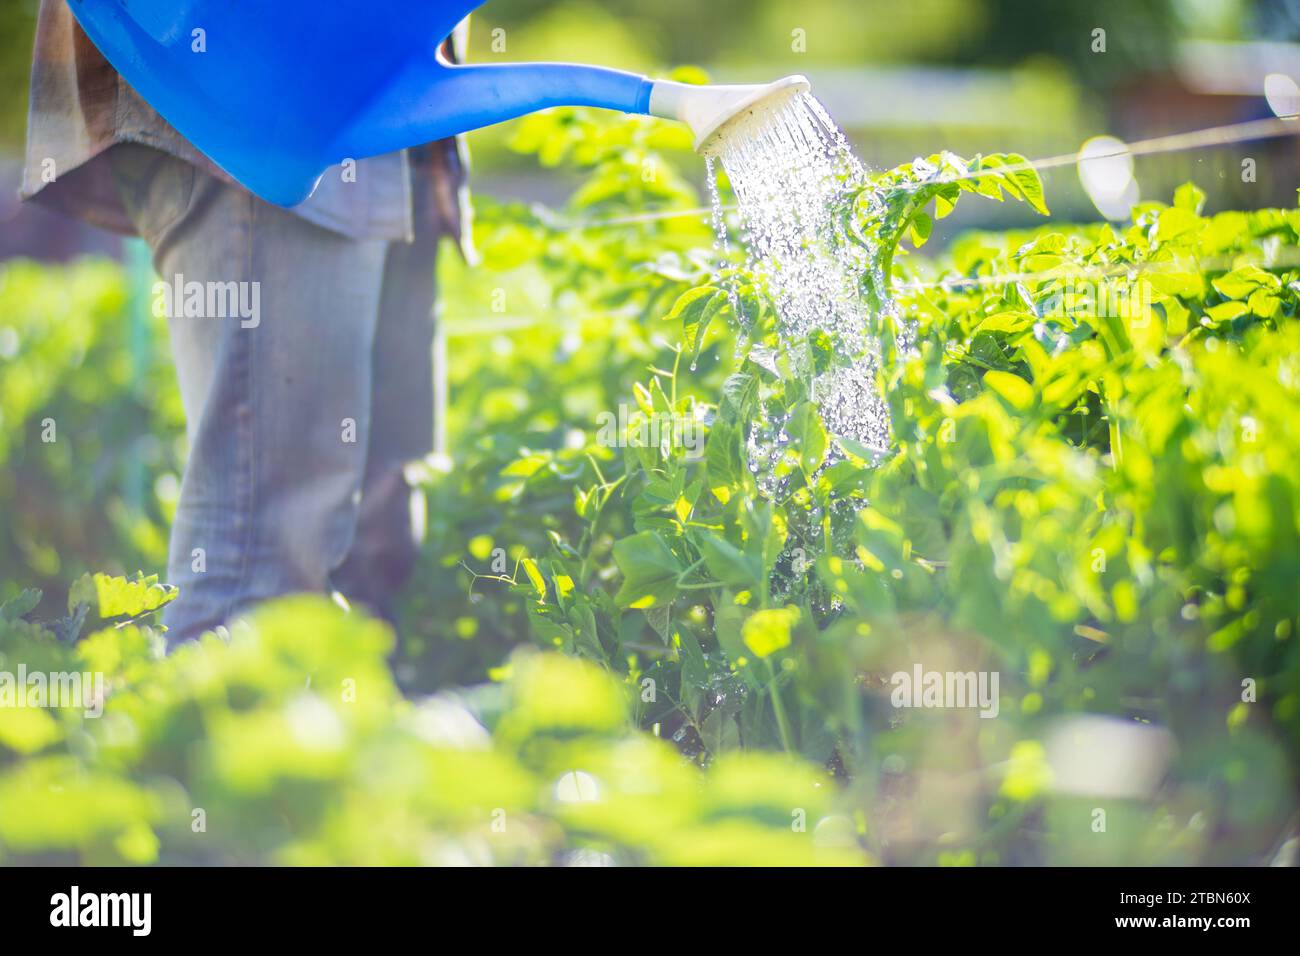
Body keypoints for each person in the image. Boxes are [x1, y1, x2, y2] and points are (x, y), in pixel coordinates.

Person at [21, 1, 471, 641]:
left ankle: (346, 733)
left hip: (399, 96)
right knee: (259, 569)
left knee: (374, 542)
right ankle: (218, 730)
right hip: (253, 78)